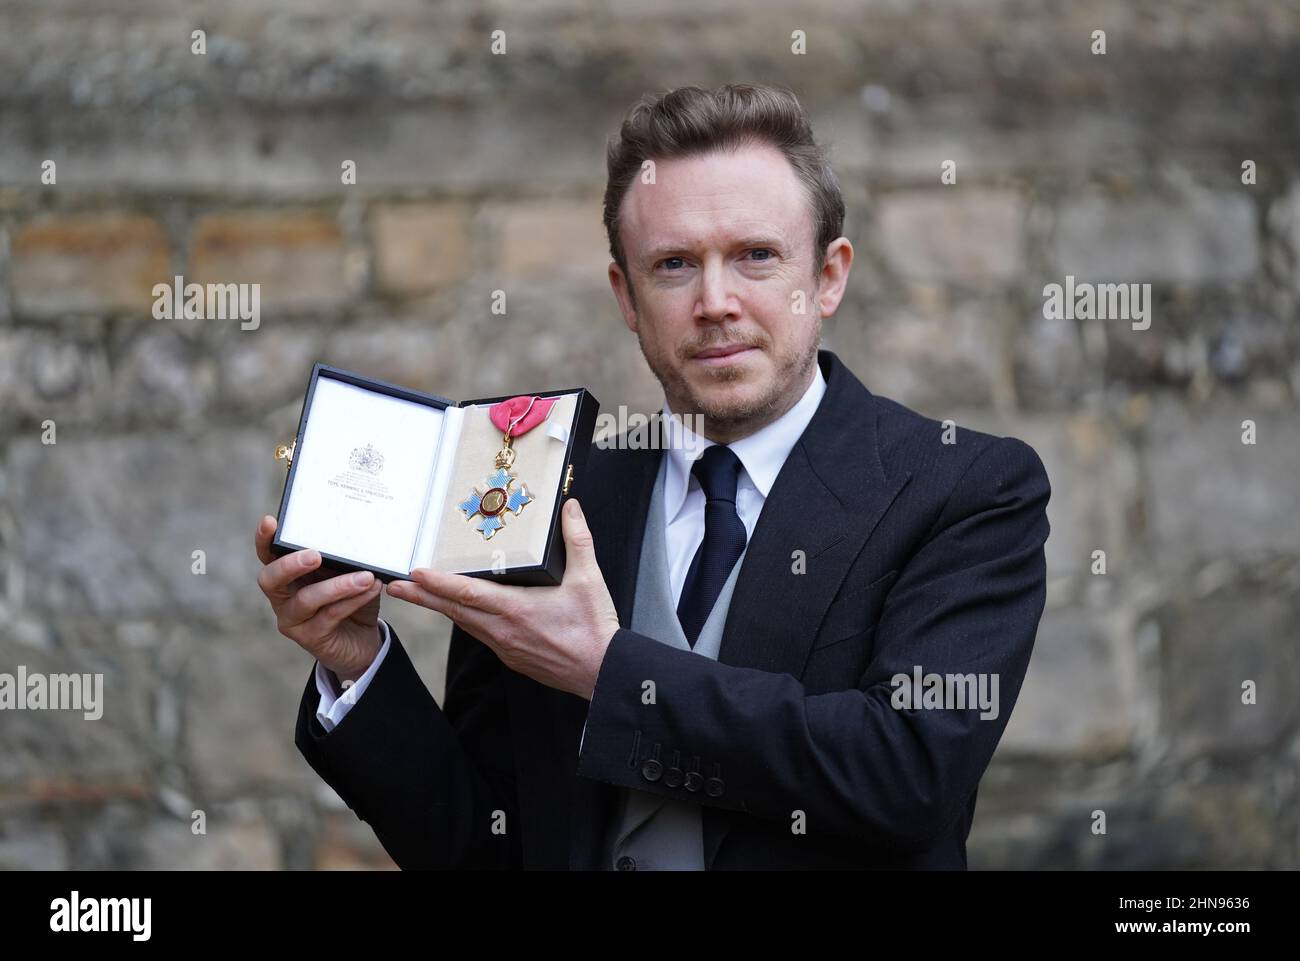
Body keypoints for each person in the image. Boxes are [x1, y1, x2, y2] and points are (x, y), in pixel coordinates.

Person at [254, 83, 1051, 869]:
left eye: (756, 257)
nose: (715, 302)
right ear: (626, 295)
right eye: (673, 265)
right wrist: (361, 668)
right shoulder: (545, 493)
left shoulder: (965, 487)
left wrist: (609, 670)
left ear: (830, 276)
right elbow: (486, 844)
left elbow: (910, 774)